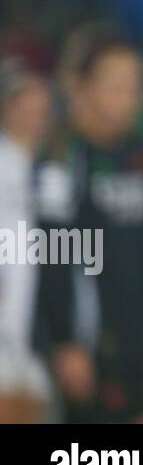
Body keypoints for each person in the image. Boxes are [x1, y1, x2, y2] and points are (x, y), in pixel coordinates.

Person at [33, 27, 143, 423]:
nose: (131, 97)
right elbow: (53, 253)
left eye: (136, 86)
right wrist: (65, 341)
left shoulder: (137, 155)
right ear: (82, 88)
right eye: (117, 85)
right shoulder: (62, 159)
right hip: (92, 345)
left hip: (140, 338)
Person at [0, 60, 54, 423]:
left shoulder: (52, 175)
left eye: (42, 107)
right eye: (25, 104)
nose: (35, 114)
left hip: (34, 329)